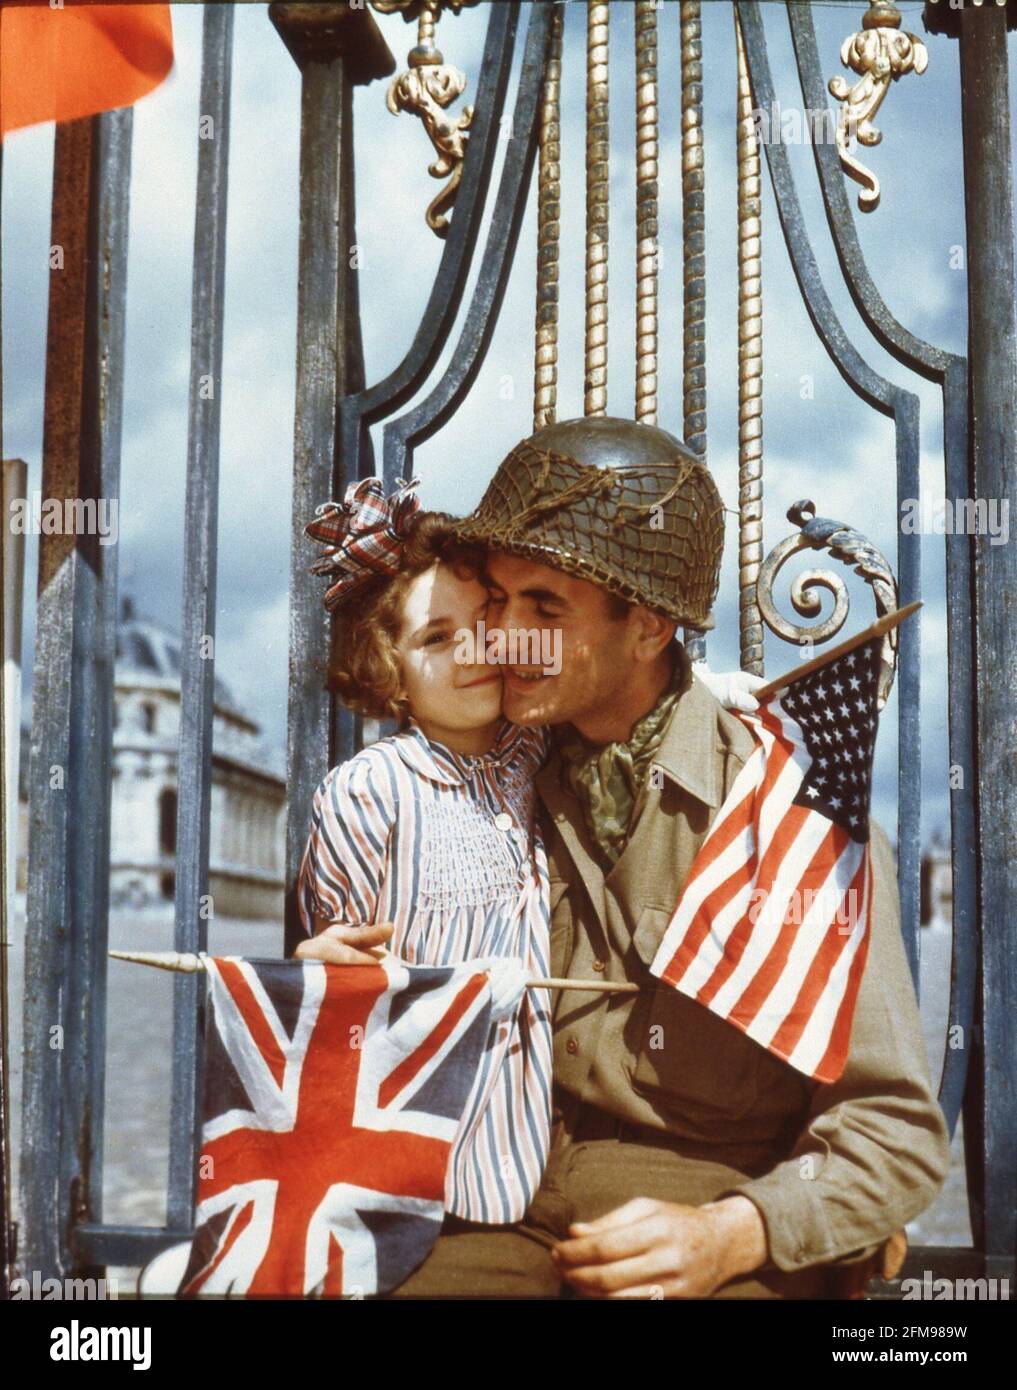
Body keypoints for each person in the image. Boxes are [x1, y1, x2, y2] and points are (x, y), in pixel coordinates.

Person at [382, 414, 951, 1299]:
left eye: (545, 608)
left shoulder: (787, 811)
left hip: (712, 1212)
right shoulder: (487, 775)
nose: (501, 638)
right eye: (497, 600)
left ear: (646, 630)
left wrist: (736, 1234)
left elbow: (892, 1127)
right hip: (508, 1199)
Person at [292, 480, 554, 1226]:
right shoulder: (366, 792)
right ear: (388, 666)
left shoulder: (543, 748)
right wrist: (324, 962)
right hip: (420, 1152)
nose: (472, 651)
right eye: (437, 639)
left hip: (545, 1138)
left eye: (483, 623)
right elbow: (340, 974)